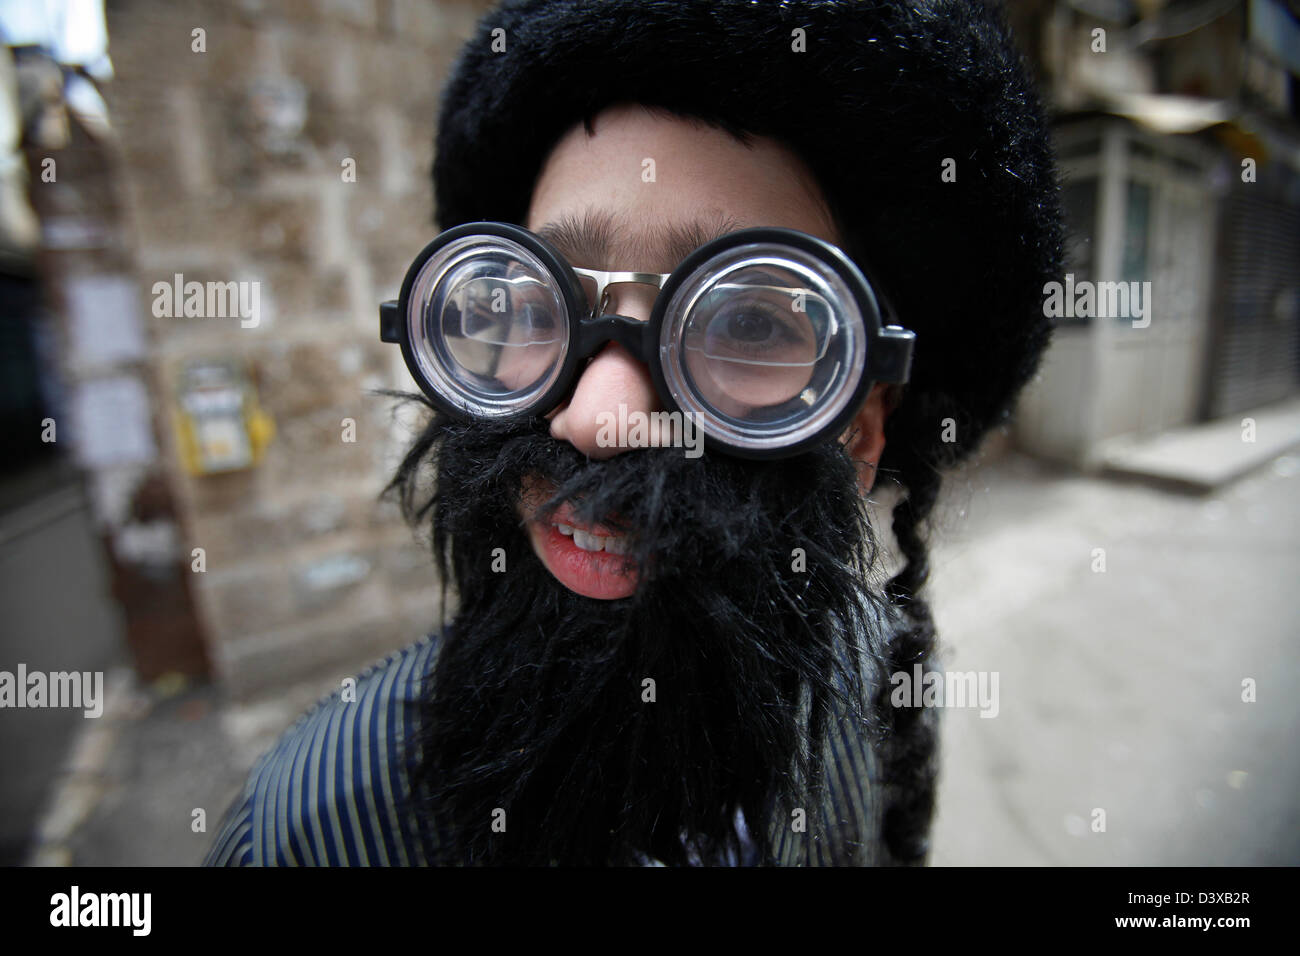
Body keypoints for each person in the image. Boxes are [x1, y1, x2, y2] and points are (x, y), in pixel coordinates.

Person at [205, 0, 1062, 867]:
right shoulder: (312, 830)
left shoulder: (871, 698)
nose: (599, 416)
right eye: (541, 301)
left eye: (752, 326)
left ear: (863, 425)